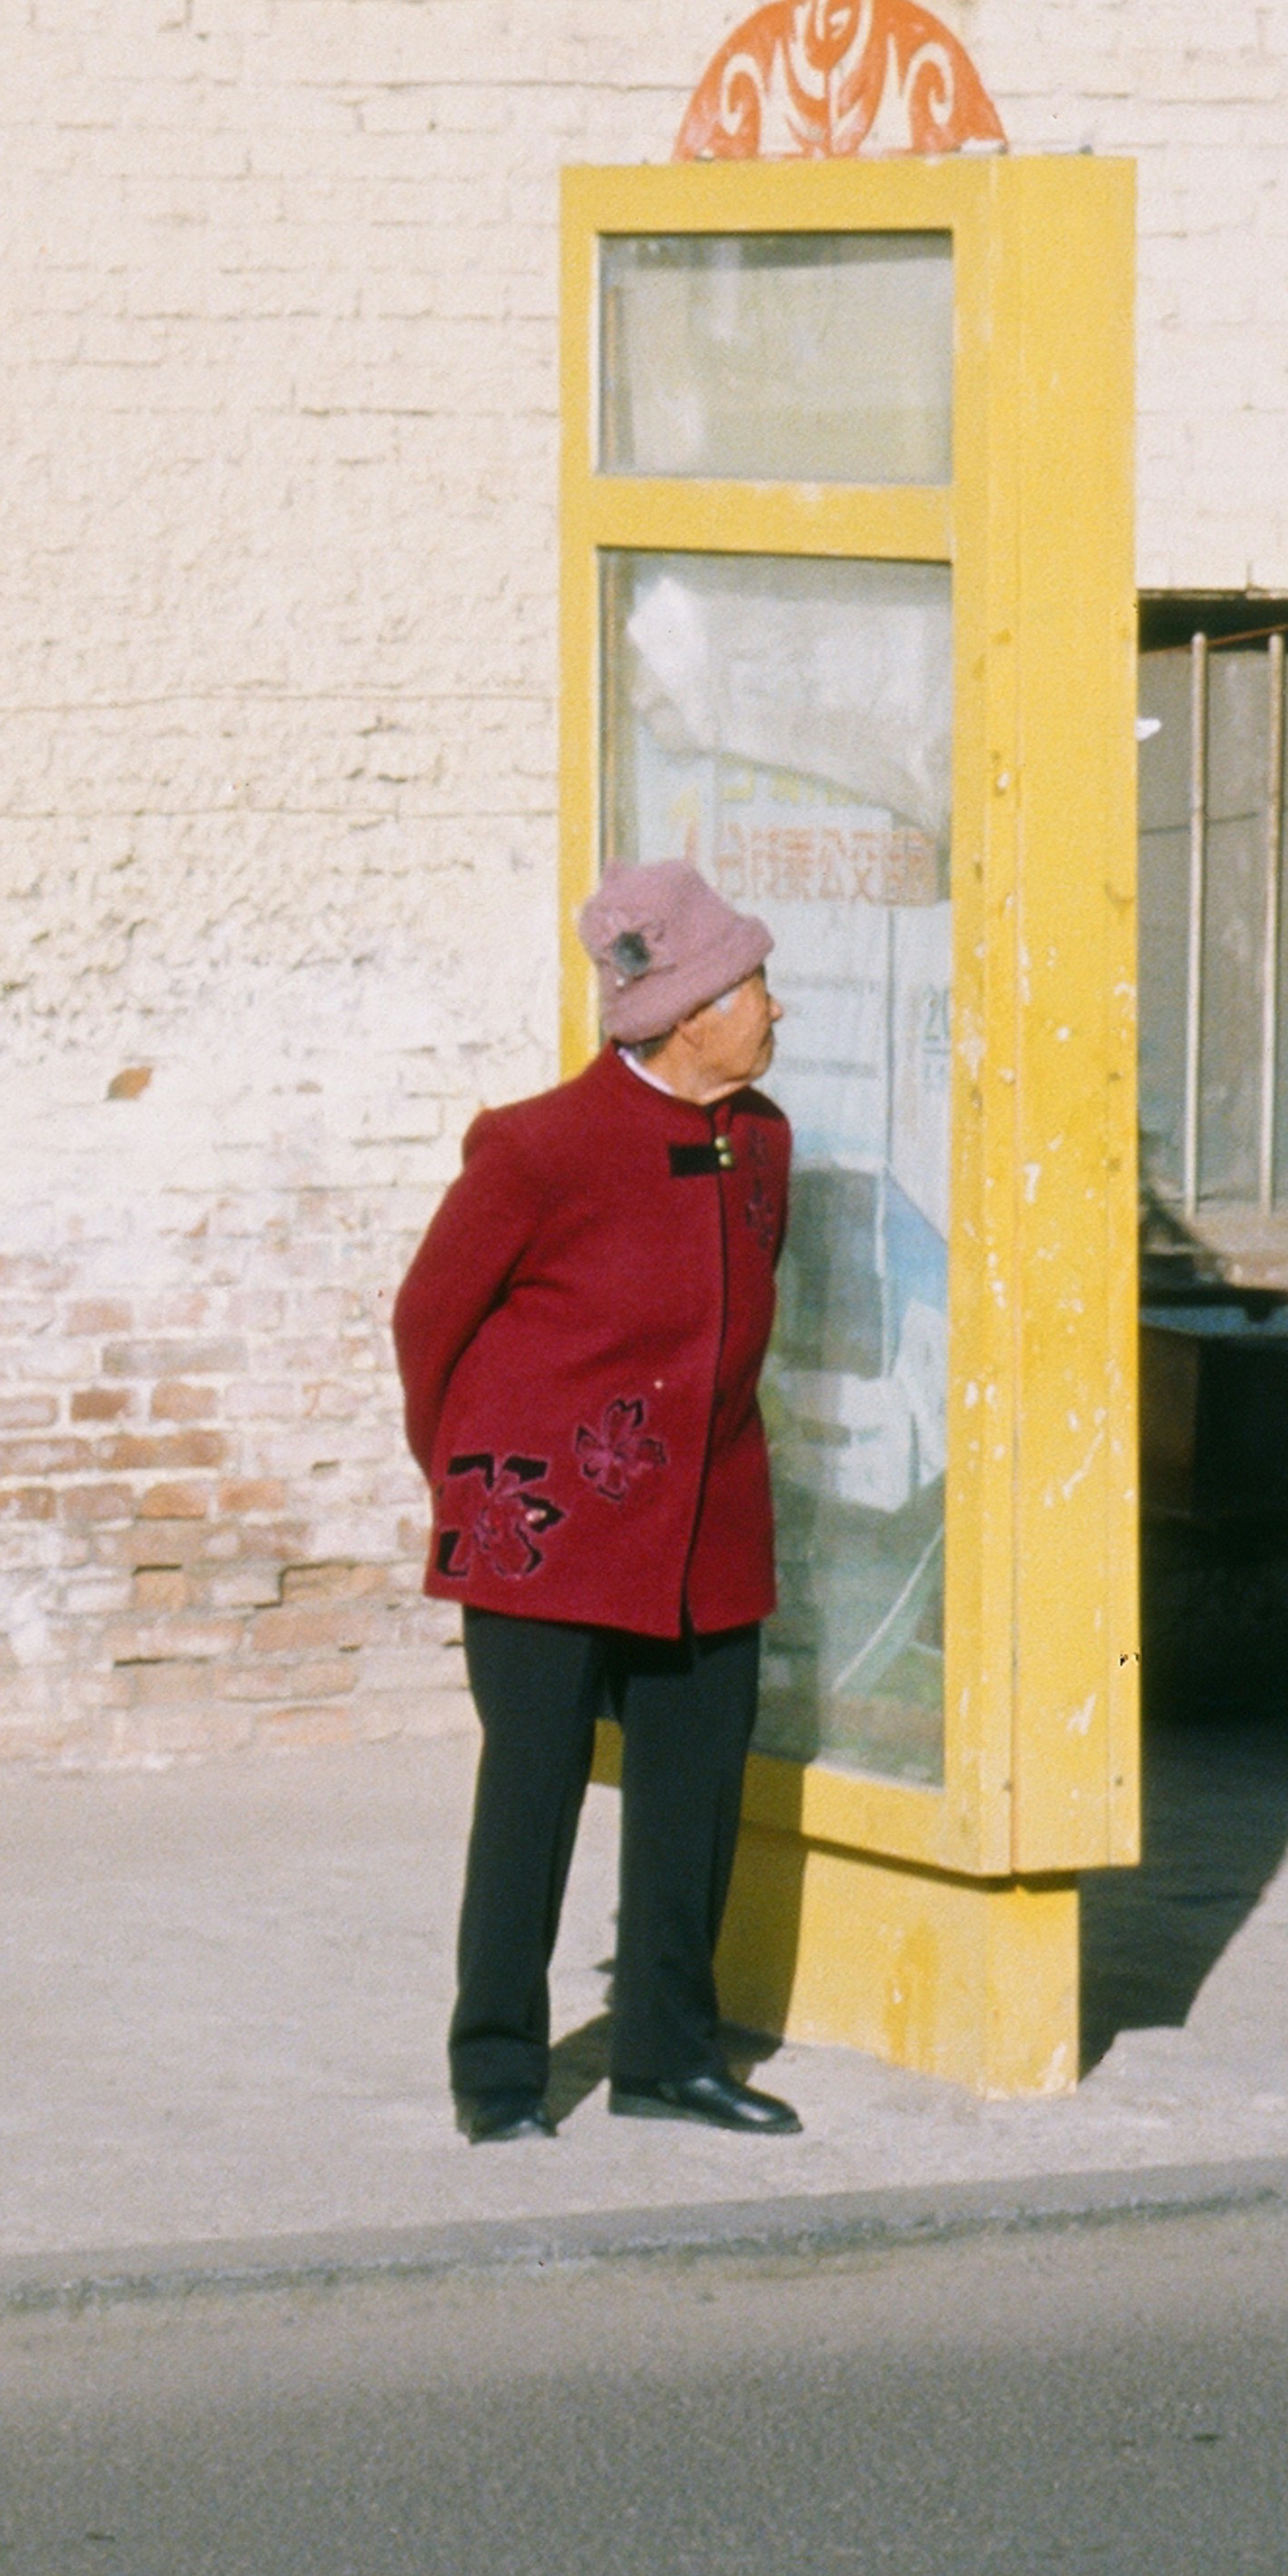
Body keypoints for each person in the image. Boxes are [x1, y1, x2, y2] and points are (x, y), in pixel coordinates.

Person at [390, 854, 805, 2144]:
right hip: (546, 1532)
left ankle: (666, 2059)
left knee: (693, 1805)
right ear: (689, 1009)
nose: (773, 1009)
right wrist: (475, 1489)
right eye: (754, 986)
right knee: (531, 1796)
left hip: (707, 1529)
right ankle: (498, 2074)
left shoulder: (763, 1138)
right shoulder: (535, 1148)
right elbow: (427, 1327)